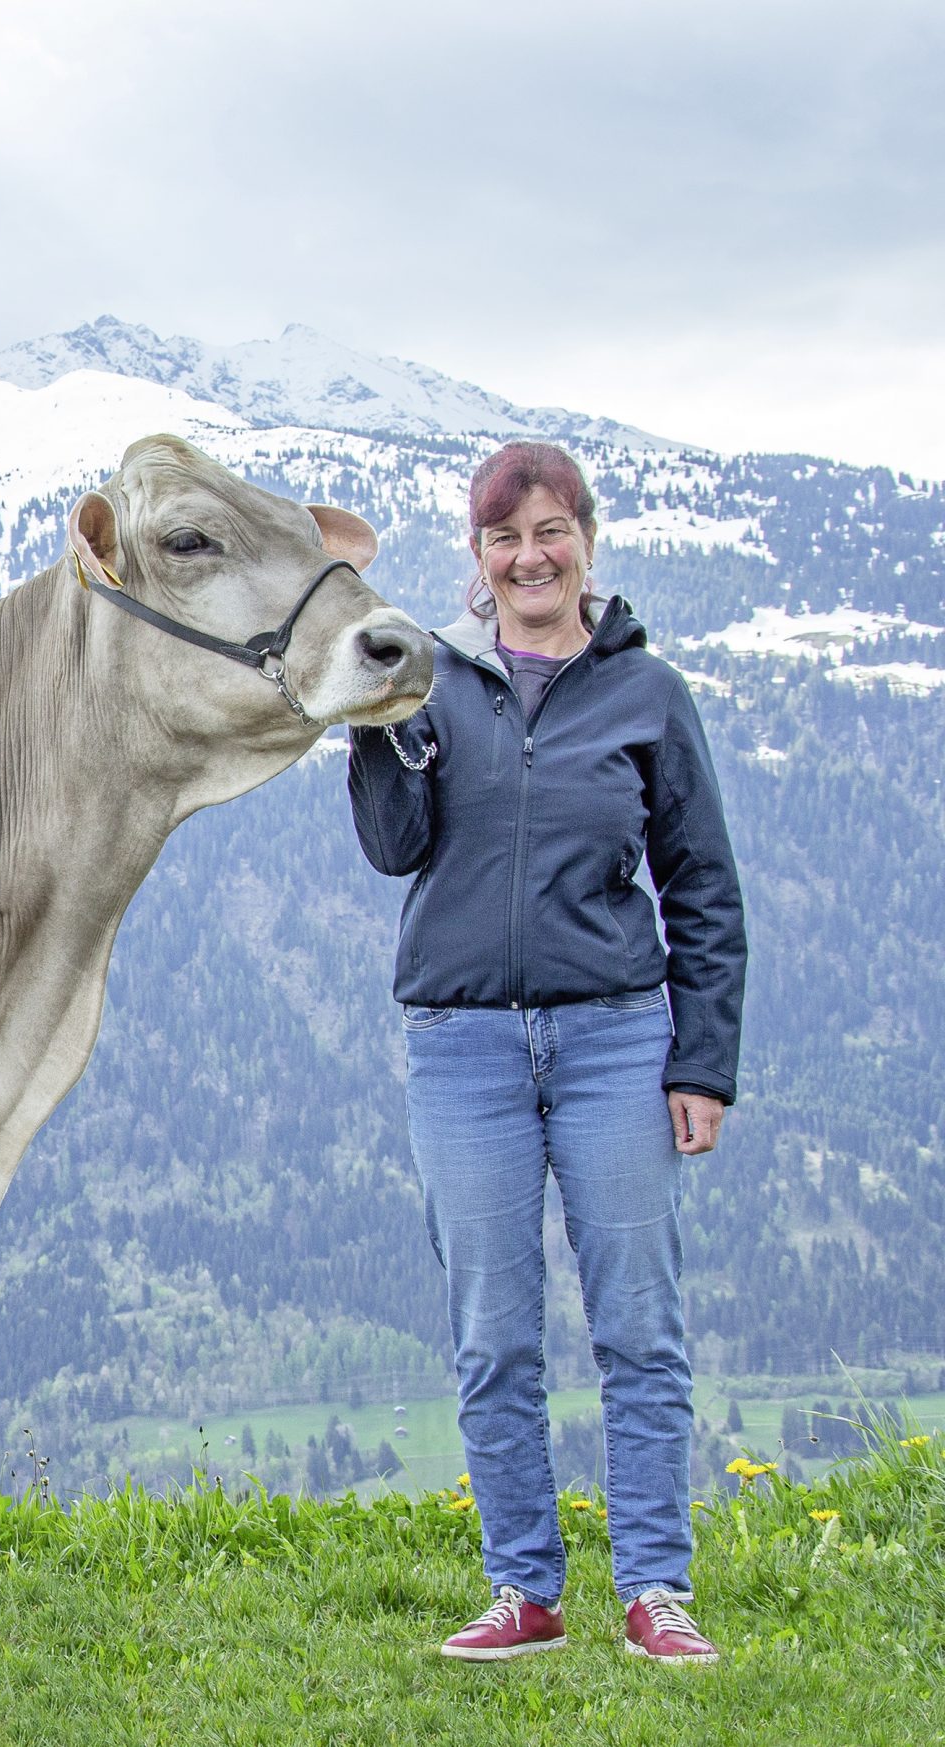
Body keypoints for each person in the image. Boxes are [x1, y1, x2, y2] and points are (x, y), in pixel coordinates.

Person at [348, 440, 747, 1665]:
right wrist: (379, 729)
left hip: (616, 1042)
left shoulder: (646, 694)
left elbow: (704, 889)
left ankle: (655, 1593)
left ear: (586, 541)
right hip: (460, 1045)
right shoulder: (430, 681)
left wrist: (701, 1063)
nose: (529, 556)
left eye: (549, 533)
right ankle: (523, 1591)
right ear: (477, 557)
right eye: (503, 538)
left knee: (639, 1324)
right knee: (493, 1333)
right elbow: (392, 848)